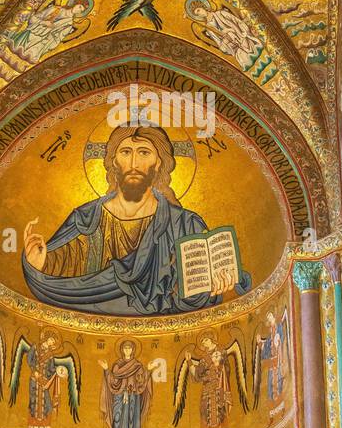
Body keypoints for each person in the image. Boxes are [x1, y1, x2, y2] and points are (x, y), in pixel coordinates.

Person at [22, 125, 248, 316]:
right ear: (113, 162)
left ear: (159, 163)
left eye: (144, 153)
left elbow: (186, 301)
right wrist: (39, 264)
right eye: (125, 152)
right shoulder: (86, 219)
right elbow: (62, 273)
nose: (133, 163)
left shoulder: (185, 225)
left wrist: (216, 287)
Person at [99, 340, 153, 428]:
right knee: (117, 419)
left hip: (133, 396)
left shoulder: (137, 365)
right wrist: (106, 369)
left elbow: (141, 381)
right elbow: (113, 381)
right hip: (119, 396)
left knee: (131, 419)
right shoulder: (117, 365)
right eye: (125, 348)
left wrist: (148, 370)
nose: (127, 350)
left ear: (133, 350)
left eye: (129, 348)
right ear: (122, 350)